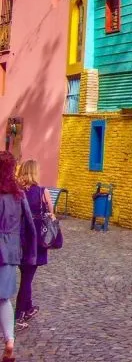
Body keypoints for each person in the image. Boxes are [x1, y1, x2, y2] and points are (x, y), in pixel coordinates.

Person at [0, 152, 36, 361]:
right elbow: (30, 225)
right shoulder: (19, 195)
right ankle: (10, 341)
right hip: (12, 251)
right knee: (3, 298)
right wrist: (30, 253)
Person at [14, 160, 53, 327]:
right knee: (27, 279)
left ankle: (28, 308)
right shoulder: (43, 192)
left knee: (25, 274)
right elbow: (52, 215)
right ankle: (19, 315)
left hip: (18, 239)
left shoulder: (16, 192)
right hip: (35, 241)